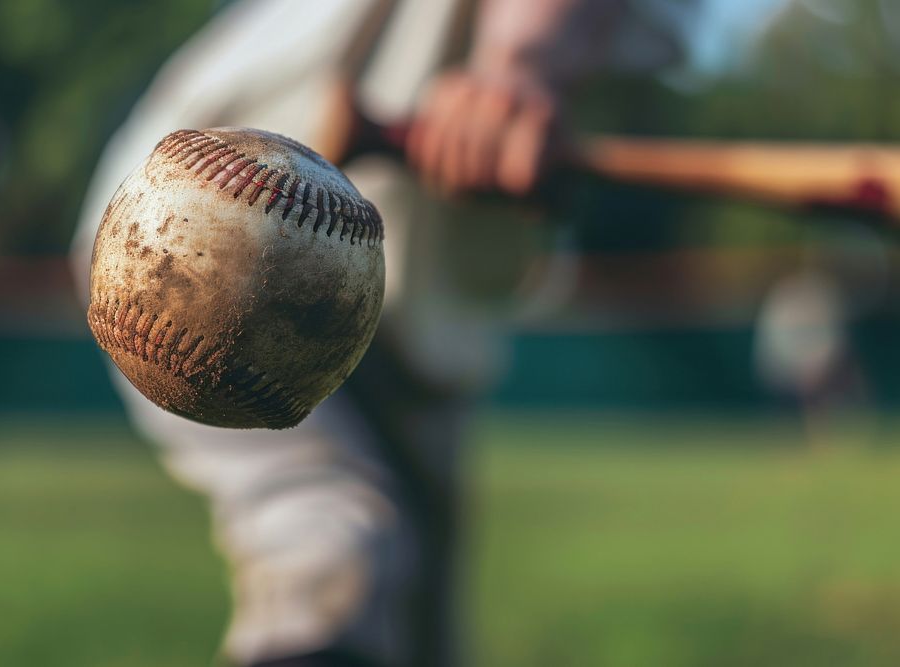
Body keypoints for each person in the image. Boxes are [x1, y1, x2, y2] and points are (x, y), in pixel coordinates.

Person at [71, 1, 694, 665]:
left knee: (422, 632)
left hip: (418, 321)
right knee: (333, 542)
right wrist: (517, 71)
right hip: (202, 246)